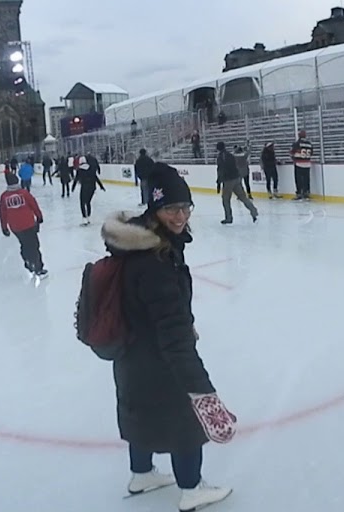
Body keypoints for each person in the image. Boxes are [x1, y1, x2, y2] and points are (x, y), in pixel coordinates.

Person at [101, 163, 235, 510]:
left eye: (185, 207)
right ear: (154, 208)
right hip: (159, 356)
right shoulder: (157, 260)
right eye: (171, 208)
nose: (180, 216)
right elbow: (173, 335)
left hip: (132, 353)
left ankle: (141, 473)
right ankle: (192, 488)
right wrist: (201, 390)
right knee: (184, 418)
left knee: (139, 410)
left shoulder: (139, 242)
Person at [0, 172, 46, 277]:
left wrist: (4, 227)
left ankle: (27, 260)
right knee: (34, 245)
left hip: (15, 227)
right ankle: (38, 268)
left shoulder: (4, 196)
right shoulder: (24, 193)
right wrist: (39, 216)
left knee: (24, 244)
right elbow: (34, 204)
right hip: (29, 224)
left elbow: (2, 212)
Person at [215, 142, 257, 225]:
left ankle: (228, 218)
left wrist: (219, 182)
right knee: (243, 197)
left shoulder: (220, 157)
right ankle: (254, 211)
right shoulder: (230, 155)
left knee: (226, 200)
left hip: (228, 180)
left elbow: (220, 170)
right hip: (236, 178)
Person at [72, 155, 106, 226]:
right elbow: (96, 178)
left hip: (85, 187)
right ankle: (89, 218)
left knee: (82, 202)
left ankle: (84, 219)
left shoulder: (80, 170)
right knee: (88, 202)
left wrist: (73, 187)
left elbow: (76, 179)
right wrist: (101, 186)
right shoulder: (91, 168)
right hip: (92, 188)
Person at [290, 131, 313, 200]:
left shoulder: (296, 144)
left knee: (298, 180)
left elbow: (291, 152)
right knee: (306, 179)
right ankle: (306, 193)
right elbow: (311, 153)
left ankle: (299, 193)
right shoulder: (309, 144)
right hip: (307, 164)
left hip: (299, 163)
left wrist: (294, 158)